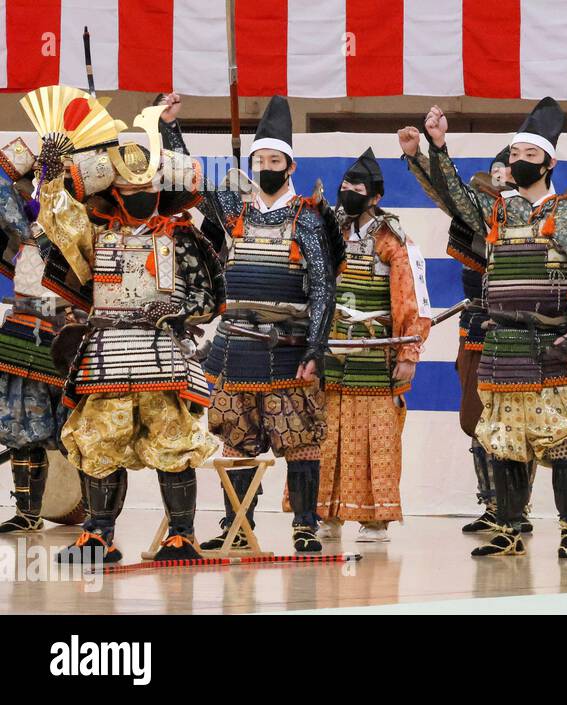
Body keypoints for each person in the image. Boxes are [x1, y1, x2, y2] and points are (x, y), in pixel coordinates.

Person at [25, 87, 223, 563]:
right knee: (97, 442)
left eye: (148, 191)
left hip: (161, 351)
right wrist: (52, 175)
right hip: (107, 351)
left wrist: (173, 311)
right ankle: (98, 534)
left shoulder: (182, 236)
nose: (141, 199)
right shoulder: (98, 235)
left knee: (173, 440)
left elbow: (205, 298)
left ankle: (181, 535)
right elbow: (56, 228)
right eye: (131, 192)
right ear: (115, 193)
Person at [400, 97, 567, 558]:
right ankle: (509, 528)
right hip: (500, 343)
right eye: (514, 156)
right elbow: (455, 199)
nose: (519, 163)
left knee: (564, 441)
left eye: (529, 156)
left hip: (551, 343)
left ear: (549, 163)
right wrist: (434, 149)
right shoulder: (497, 213)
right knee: (503, 441)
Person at [192, 96, 339, 553]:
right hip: (237, 347)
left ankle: (305, 526)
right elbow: (195, 179)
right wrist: (167, 126)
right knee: (236, 442)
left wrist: (316, 347)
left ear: (290, 165)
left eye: (275, 160)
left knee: (300, 443)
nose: (266, 166)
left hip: (287, 349)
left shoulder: (307, 219)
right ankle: (237, 524)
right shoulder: (235, 213)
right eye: (259, 160)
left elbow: (323, 287)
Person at [402, 145, 536, 535]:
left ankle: (518, 507)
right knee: (478, 421)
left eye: (510, 167)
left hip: (522, 332)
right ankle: (492, 505)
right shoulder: (478, 212)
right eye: (498, 168)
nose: (504, 174)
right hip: (478, 328)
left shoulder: (542, 216)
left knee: (520, 423)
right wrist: (418, 158)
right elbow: (447, 193)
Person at [313, 149, 430, 542]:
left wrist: (409, 353)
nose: (347, 192)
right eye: (344, 185)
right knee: (327, 435)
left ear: (375, 196)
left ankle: (375, 519)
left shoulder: (393, 239)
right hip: (332, 349)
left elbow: (410, 297)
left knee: (376, 437)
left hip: (375, 350)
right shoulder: (329, 231)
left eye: (356, 187)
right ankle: (325, 514)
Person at [0, 135, 76, 534]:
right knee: (19, 425)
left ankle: (95, 517)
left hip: (66, 326)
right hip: (24, 323)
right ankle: (28, 511)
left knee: (75, 426)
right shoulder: (21, 221)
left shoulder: (80, 221)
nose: (43, 184)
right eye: (39, 176)